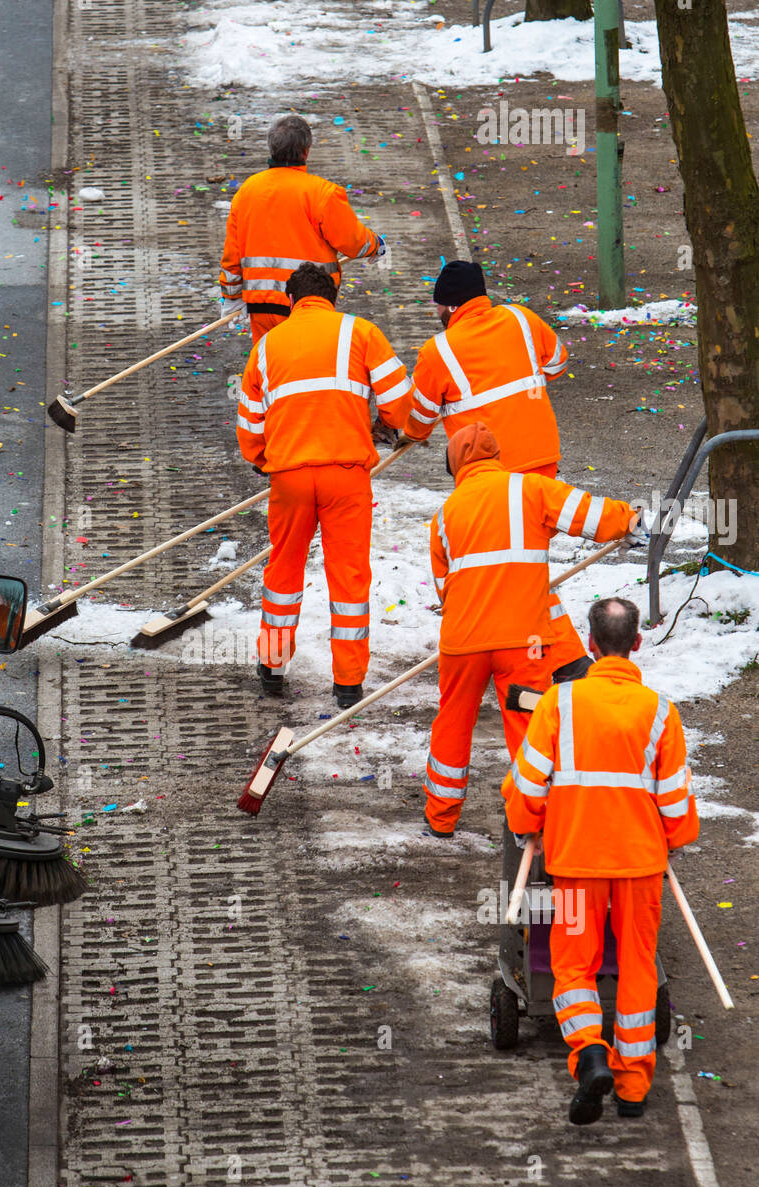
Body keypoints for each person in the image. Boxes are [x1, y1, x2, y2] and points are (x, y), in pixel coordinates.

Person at [502, 597, 699, 1125]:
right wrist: (676, 837)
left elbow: (527, 786)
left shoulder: (558, 705)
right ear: (637, 643)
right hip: (639, 865)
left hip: (574, 860)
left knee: (572, 965)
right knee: (637, 966)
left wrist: (526, 826)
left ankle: (589, 1055)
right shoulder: (660, 711)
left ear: (589, 645)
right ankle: (633, 1089)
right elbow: (676, 804)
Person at [424, 421, 638, 836]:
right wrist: (629, 519)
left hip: (461, 643)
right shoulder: (529, 489)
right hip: (523, 643)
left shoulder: (444, 516)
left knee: (452, 723)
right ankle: (534, 822)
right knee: (528, 727)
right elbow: (590, 514)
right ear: (495, 455)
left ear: (455, 466)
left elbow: (443, 589)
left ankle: (441, 817)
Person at [404, 260, 594, 683]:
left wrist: (408, 435)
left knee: (514, 573)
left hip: (494, 474)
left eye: (439, 308)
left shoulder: (439, 351)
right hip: (542, 460)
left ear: (451, 308)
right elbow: (558, 362)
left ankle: (561, 657)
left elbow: (418, 418)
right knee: (525, 566)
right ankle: (551, 653)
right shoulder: (521, 318)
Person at [236, 262, 412, 707]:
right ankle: (348, 682)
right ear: (334, 297)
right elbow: (398, 398)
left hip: (290, 476)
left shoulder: (267, 345)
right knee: (348, 575)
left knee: (283, 572)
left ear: (291, 302)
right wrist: (383, 428)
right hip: (346, 476)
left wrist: (263, 460)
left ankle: (273, 667)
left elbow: (250, 419)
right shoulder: (361, 332)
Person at [219, 115, 385, 344]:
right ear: (306, 151)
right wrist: (376, 246)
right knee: (305, 369)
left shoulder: (247, 192)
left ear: (271, 148)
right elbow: (353, 241)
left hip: (262, 307)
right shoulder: (322, 194)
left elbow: (232, 256)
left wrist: (231, 296)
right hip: (309, 304)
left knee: (271, 369)